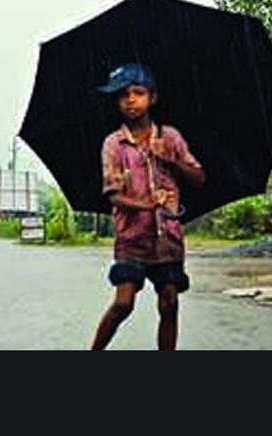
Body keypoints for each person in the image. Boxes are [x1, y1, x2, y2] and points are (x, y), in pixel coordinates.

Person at [89, 63, 206, 351]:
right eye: (123, 95)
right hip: (131, 239)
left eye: (138, 93)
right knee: (123, 303)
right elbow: (114, 195)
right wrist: (146, 203)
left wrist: (170, 158)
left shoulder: (171, 138)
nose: (130, 100)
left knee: (170, 301)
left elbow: (199, 177)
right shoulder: (113, 145)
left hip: (168, 239)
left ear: (152, 98)